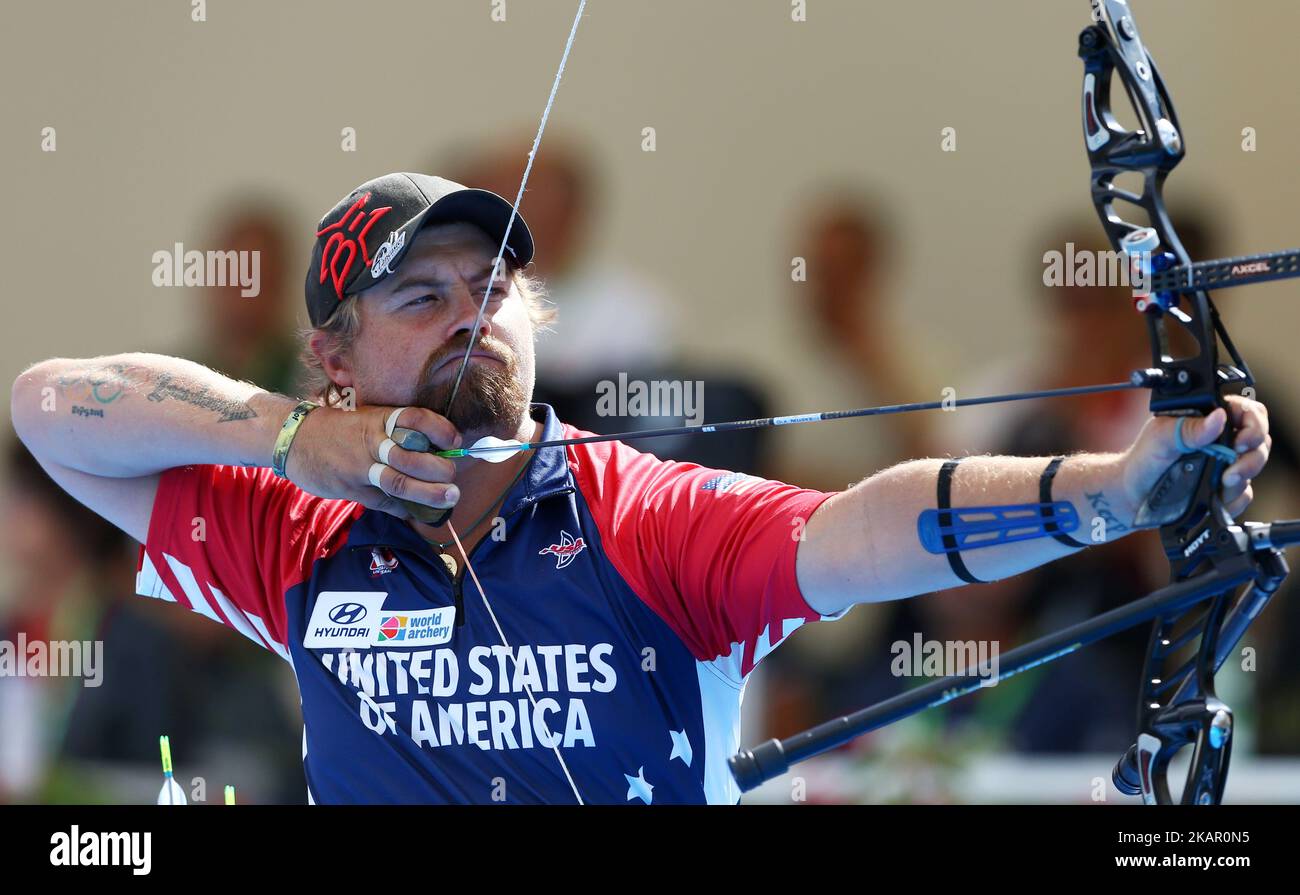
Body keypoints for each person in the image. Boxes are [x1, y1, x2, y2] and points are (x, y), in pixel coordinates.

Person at [10, 172, 1273, 805]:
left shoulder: (636, 514)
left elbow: (864, 532)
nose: (471, 317)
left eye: (491, 289)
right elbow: (51, 405)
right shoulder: (295, 532)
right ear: (334, 359)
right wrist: (290, 437)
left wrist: (1110, 489)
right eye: (420, 297)